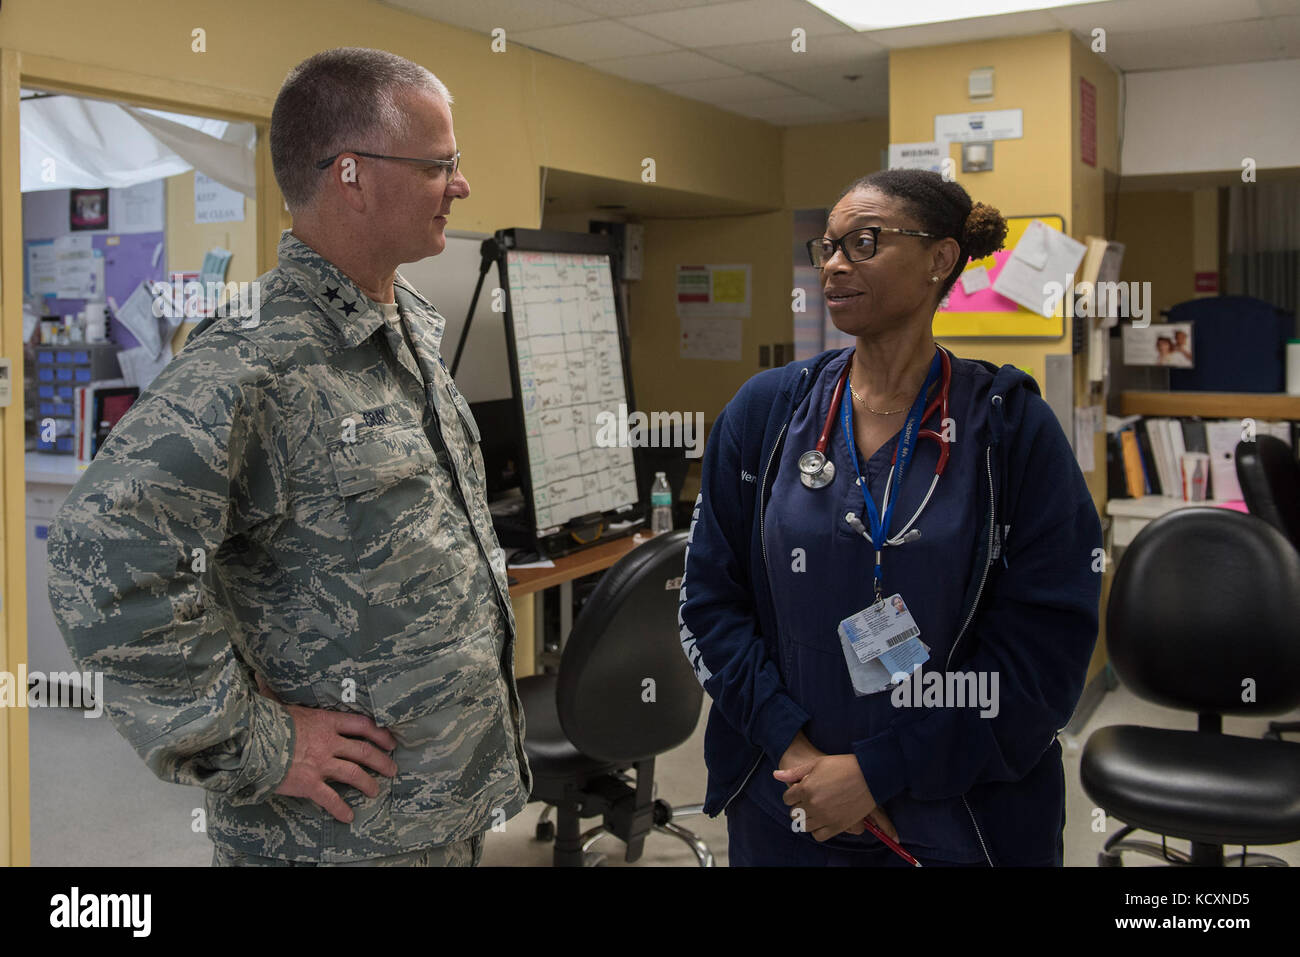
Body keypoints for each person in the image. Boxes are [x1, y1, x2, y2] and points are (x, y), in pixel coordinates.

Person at [46, 47, 530, 867]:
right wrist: (259, 740)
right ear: (352, 174)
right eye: (439, 164)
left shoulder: (401, 333)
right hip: (331, 839)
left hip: (436, 810)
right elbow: (100, 550)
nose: (460, 184)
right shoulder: (256, 356)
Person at [679, 169, 1102, 866]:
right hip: (790, 797)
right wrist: (796, 751)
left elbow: (1045, 652)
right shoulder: (767, 415)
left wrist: (878, 770)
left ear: (940, 259)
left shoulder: (1010, 428)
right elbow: (708, 604)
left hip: (958, 813)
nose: (836, 264)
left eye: (865, 242)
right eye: (830, 247)